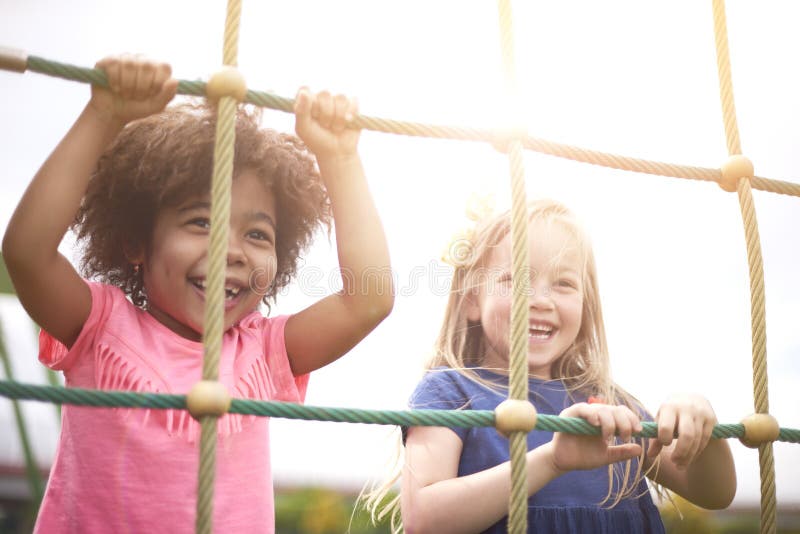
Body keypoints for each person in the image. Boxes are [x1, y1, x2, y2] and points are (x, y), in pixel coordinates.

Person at [2, 55, 394, 533]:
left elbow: (369, 299)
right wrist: (102, 117)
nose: (231, 251)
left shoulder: (262, 351)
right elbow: (26, 253)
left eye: (258, 235)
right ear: (135, 243)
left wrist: (340, 159)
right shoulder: (101, 327)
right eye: (201, 222)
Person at [363, 198, 735, 533]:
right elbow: (424, 520)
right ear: (472, 298)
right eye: (515, 280)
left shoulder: (608, 403)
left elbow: (714, 493)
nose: (540, 300)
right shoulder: (450, 392)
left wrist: (700, 420)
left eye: (563, 283)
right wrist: (551, 461)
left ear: (586, 304)